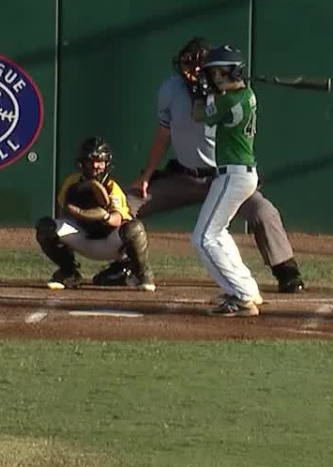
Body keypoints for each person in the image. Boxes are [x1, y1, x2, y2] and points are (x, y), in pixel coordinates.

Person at [128, 37, 306, 294]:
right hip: (184, 175)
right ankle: (126, 265)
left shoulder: (229, 97)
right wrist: (147, 174)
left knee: (263, 212)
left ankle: (285, 270)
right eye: (187, 65)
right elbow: (163, 132)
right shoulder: (171, 89)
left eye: (200, 66)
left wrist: (210, 91)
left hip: (225, 179)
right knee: (125, 204)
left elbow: (200, 113)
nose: (192, 71)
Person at [190, 45, 263, 316]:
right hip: (237, 174)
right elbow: (226, 93)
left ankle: (242, 297)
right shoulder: (247, 94)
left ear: (225, 72)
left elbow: (197, 116)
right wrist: (217, 86)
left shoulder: (229, 102)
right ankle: (245, 289)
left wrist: (200, 94)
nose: (208, 77)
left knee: (203, 238)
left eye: (212, 72)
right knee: (216, 233)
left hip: (233, 175)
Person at [36, 136, 155, 291]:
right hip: (83, 237)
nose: (95, 166)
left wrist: (101, 215)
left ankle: (140, 273)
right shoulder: (72, 183)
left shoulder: (112, 186)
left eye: (99, 161)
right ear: (81, 163)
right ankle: (68, 272)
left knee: (134, 229)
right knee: (46, 227)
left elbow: (117, 220)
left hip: (109, 243)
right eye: (90, 161)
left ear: (106, 164)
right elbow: (62, 214)